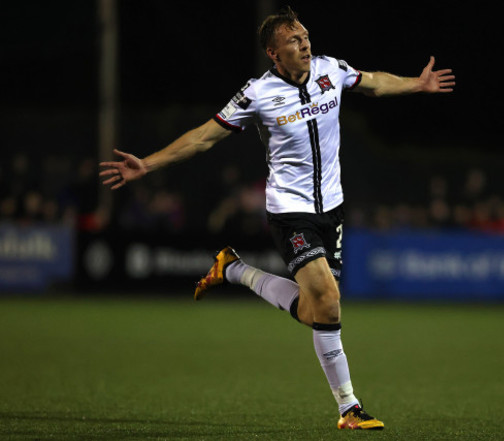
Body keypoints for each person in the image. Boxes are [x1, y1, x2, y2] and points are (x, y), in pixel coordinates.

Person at [100, 6, 454, 430]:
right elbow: (203, 137)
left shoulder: (330, 69)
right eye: (293, 40)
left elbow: (374, 82)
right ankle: (349, 408)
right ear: (273, 53)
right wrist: (148, 164)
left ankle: (234, 271)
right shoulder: (257, 94)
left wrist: (417, 84)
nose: (305, 44)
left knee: (318, 310)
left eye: (305, 36)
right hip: (290, 212)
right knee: (327, 297)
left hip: (333, 210)